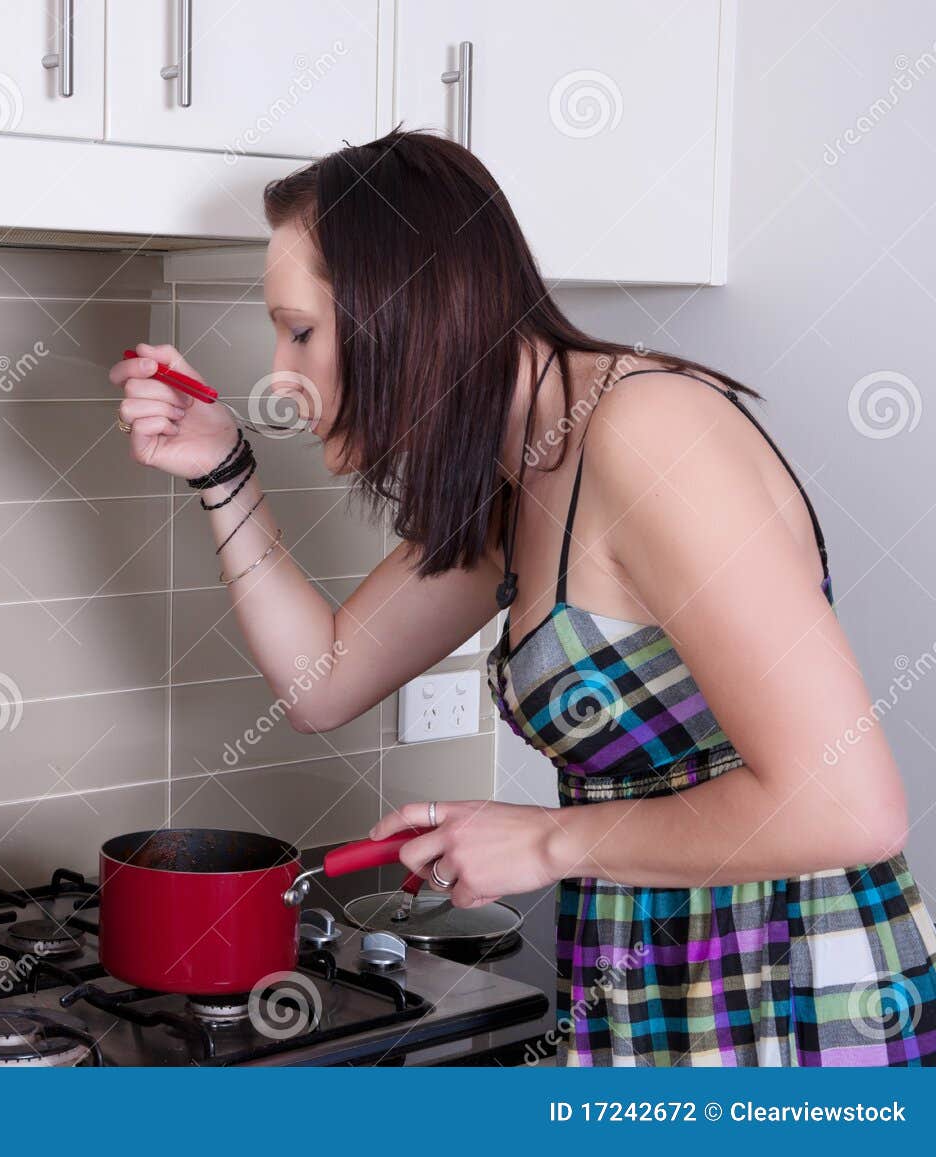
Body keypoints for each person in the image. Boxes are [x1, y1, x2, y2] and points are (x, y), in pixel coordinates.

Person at [108, 128, 936, 1066]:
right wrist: (224, 472)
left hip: (793, 994)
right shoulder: (524, 467)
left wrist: (543, 845)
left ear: (409, 309)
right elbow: (321, 683)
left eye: (300, 329)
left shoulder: (647, 435)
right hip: (648, 980)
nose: (282, 370)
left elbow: (849, 807)